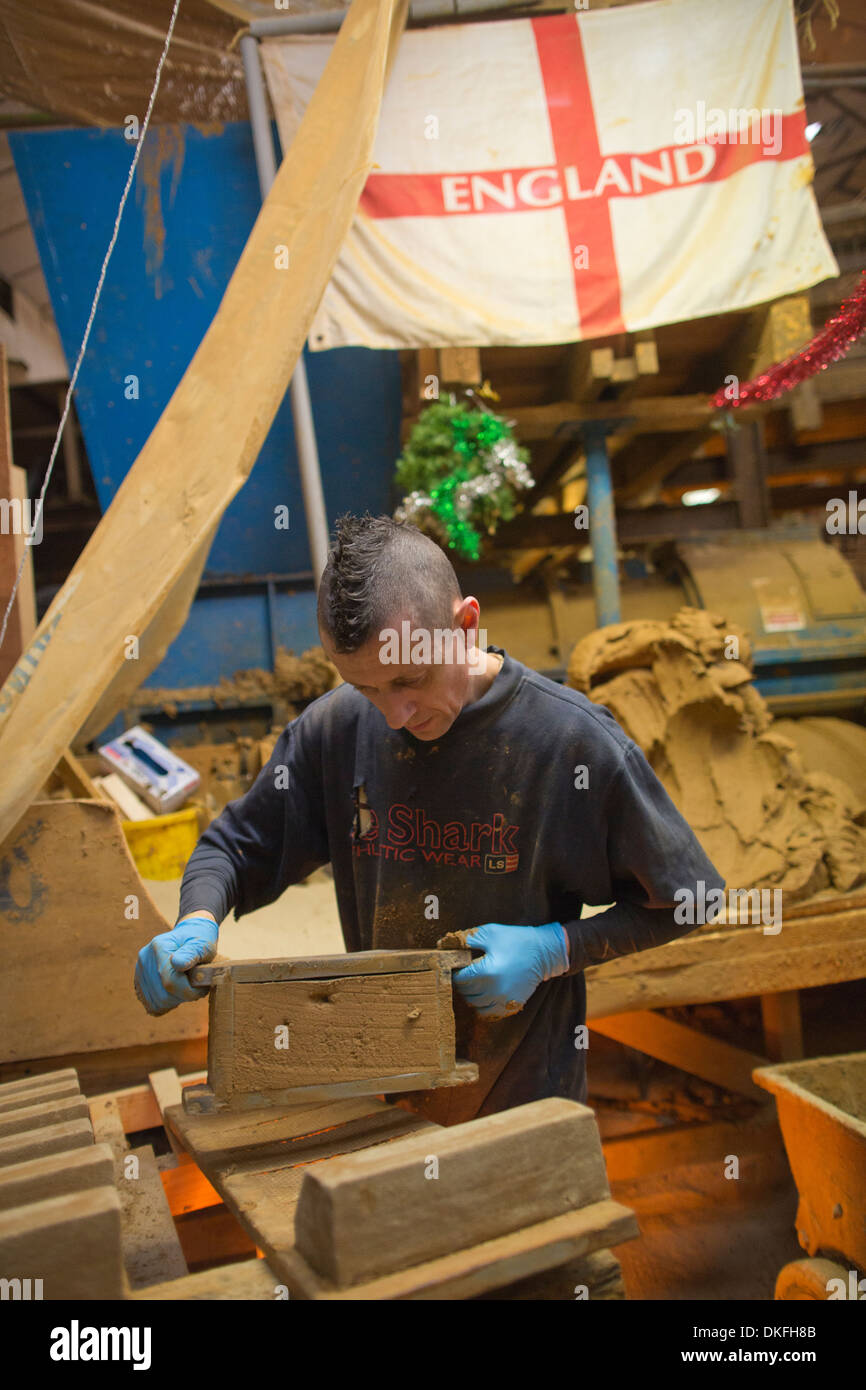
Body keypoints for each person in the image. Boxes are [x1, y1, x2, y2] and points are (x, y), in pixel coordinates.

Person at [134, 513, 725, 1124]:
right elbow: (232, 848)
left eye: (408, 680)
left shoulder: (570, 743)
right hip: (384, 1088)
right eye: (366, 690)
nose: (393, 715)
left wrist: (554, 948)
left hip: (525, 1102)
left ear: (466, 625)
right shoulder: (335, 730)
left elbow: (692, 898)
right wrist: (196, 920)